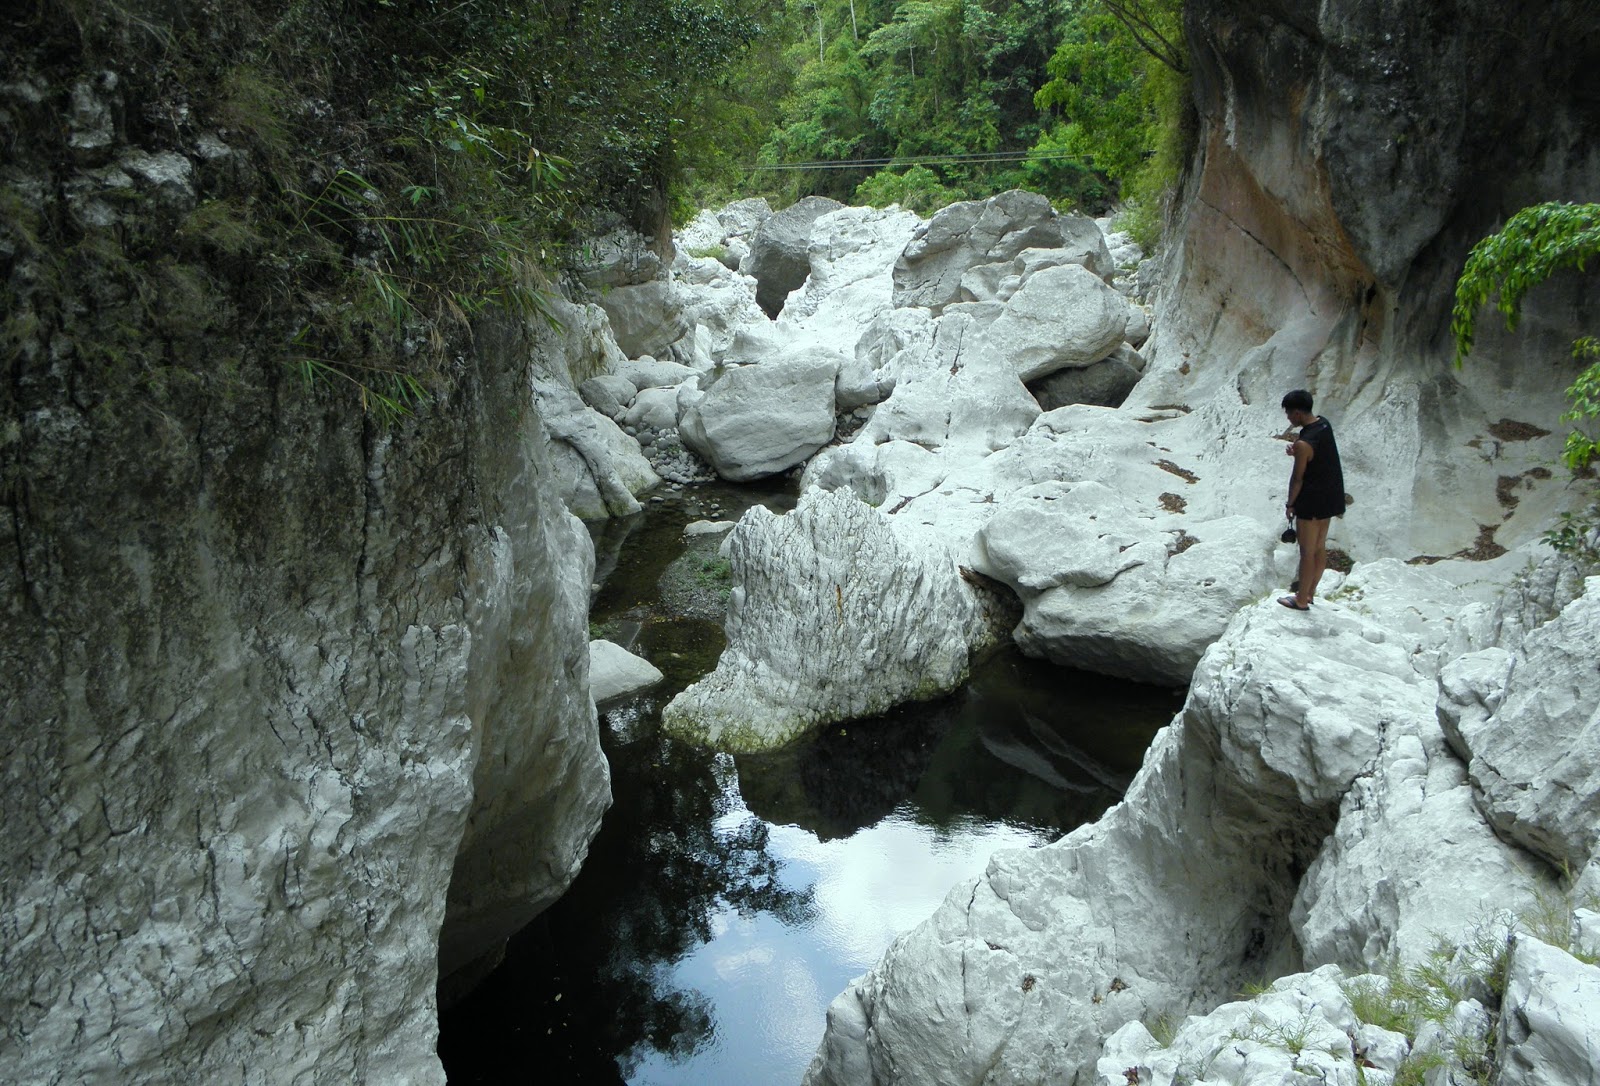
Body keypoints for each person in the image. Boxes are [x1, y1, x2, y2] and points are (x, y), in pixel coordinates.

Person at [1279, 388, 1345, 610]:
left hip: (1311, 499)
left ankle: (1300, 599)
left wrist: (1290, 504)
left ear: (1297, 413)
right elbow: (1318, 456)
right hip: (1329, 497)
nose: (1288, 418)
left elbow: (1297, 478)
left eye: (1289, 413)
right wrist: (1297, 452)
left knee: (1306, 551)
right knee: (1319, 547)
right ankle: (1310, 593)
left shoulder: (1304, 443)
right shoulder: (1323, 424)